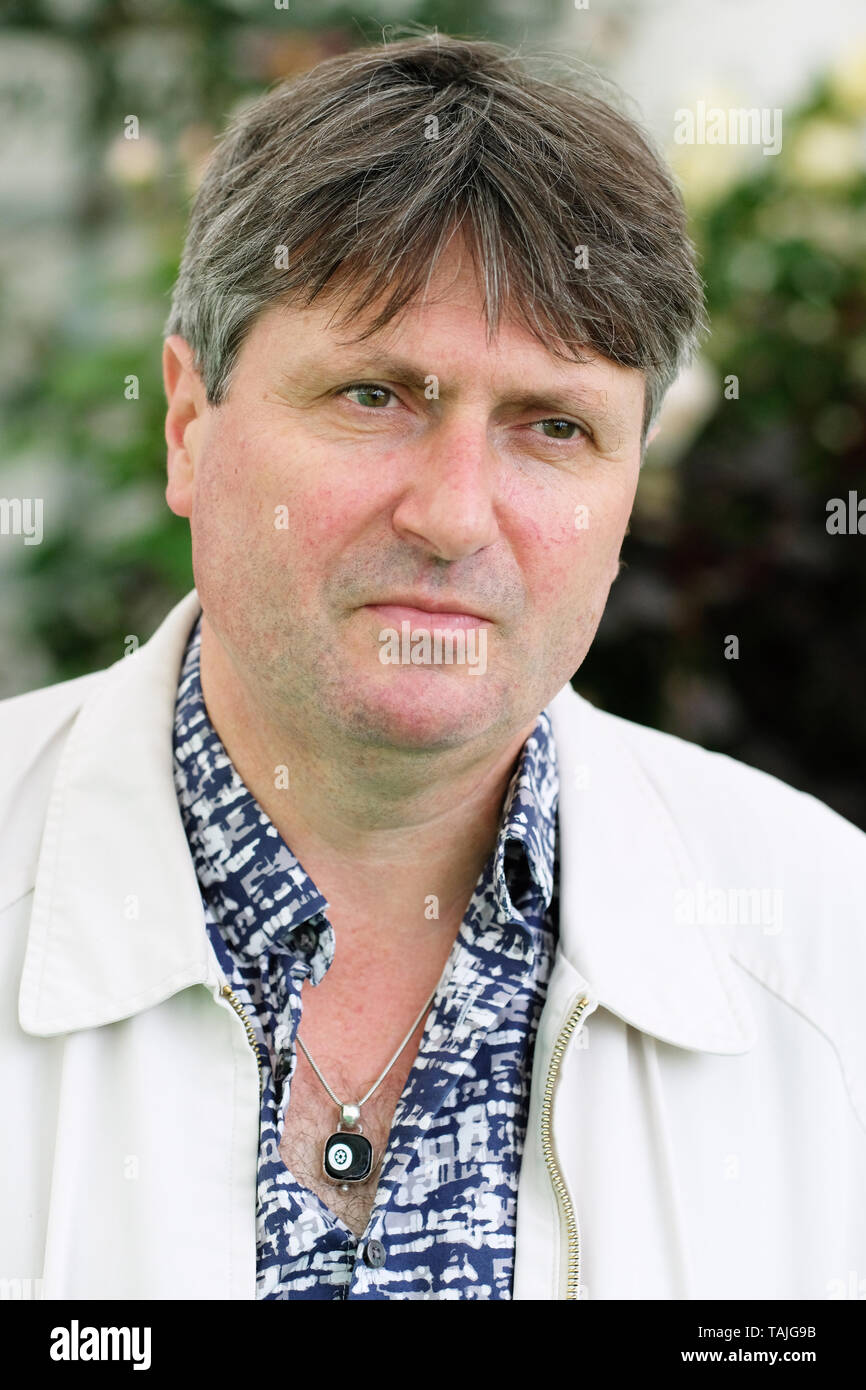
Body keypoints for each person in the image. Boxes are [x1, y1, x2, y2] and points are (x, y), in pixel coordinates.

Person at [2, 33, 864, 1303]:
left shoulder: (827, 955)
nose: (454, 515)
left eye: (553, 426)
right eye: (373, 397)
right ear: (189, 423)